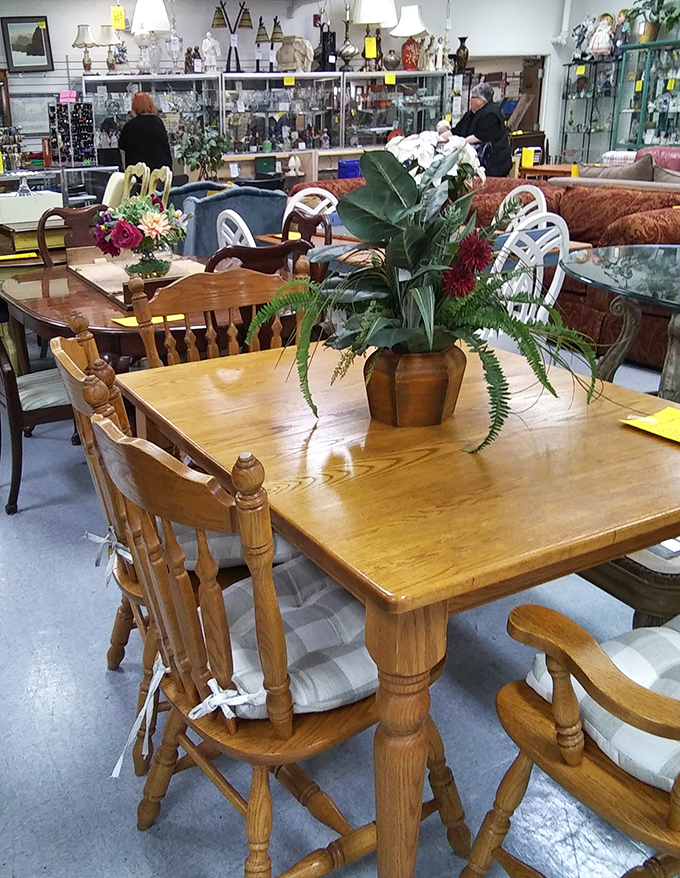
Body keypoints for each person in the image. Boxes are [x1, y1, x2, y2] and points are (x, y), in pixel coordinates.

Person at [451, 82, 512, 177]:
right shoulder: (470, 114)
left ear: (480, 100)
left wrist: (459, 143)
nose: (470, 99)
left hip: (492, 164)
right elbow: (456, 131)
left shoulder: (491, 115)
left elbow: (480, 137)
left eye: (472, 97)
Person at [118, 92, 172, 172]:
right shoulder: (158, 122)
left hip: (138, 172)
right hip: (159, 171)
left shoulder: (130, 125)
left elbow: (121, 145)